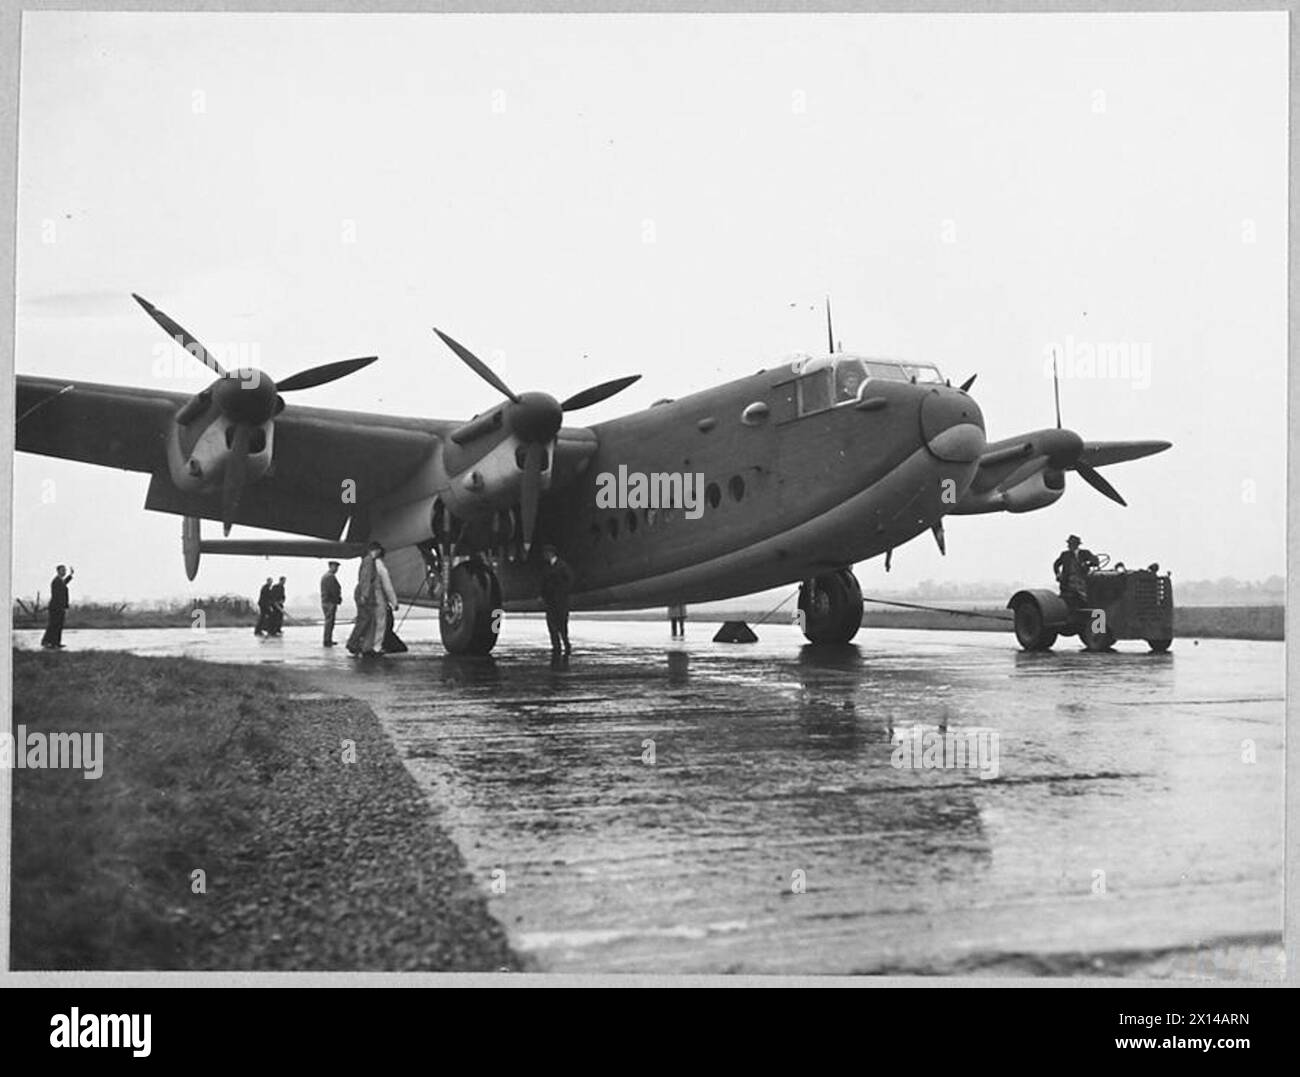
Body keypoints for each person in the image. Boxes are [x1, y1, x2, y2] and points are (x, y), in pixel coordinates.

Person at [364, 543, 398, 655]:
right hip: (378, 597)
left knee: (370, 622)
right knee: (380, 623)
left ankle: (366, 645)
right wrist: (394, 602)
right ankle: (376, 647)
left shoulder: (367, 563)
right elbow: (387, 586)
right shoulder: (380, 565)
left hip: (367, 597)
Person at [540, 544, 573, 659]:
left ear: (551, 553)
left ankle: (566, 644)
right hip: (551, 601)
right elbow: (544, 583)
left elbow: (569, 581)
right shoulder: (547, 567)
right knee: (552, 625)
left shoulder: (562, 566)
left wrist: (561, 593)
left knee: (562, 624)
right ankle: (556, 646)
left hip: (560, 601)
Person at [1053, 534, 1099, 608]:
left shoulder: (1085, 553)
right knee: (1066, 599)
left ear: (1076, 545)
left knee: (1083, 598)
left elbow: (1095, 561)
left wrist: (1087, 564)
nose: (1069, 546)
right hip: (1067, 581)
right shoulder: (1065, 555)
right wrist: (1058, 574)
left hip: (1082, 580)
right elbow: (1056, 564)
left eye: (1071, 544)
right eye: (1069, 544)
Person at [41, 564, 74, 649]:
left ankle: (56, 642)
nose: (64, 572)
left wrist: (70, 575)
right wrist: (61, 606)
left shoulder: (60, 581)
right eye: (63, 570)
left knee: (58, 625)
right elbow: (57, 595)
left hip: (59, 607)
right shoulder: (56, 581)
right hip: (56, 607)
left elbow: (64, 584)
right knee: (53, 625)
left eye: (65, 570)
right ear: (58, 571)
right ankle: (47, 642)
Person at [320, 561, 343, 646]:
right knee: (330, 622)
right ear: (330, 567)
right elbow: (333, 590)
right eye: (335, 567)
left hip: (326, 601)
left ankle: (328, 639)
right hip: (330, 602)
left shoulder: (326, 576)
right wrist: (337, 599)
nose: (336, 569)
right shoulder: (330, 577)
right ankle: (327, 640)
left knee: (329, 621)